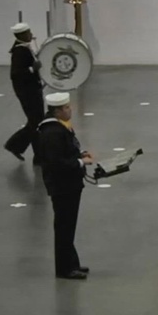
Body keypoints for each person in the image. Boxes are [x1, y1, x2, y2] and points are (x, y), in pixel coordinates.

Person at [36, 92, 93, 280]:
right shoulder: (53, 132)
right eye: (67, 107)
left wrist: (79, 155)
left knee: (68, 227)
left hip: (69, 185)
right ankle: (64, 268)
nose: (70, 110)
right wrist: (80, 163)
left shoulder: (59, 127)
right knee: (64, 227)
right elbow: (57, 162)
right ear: (58, 111)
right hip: (63, 187)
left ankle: (72, 263)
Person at [3, 23, 45, 163]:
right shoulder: (19, 52)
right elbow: (16, 74)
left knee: (36, 122)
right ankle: (19, 147)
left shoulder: (25, 48)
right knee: (36, 122)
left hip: (32, 89)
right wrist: (33, 69)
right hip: (27, 92)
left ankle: (21, 148)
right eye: (28, 32)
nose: (31, 34)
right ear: (21, 35)